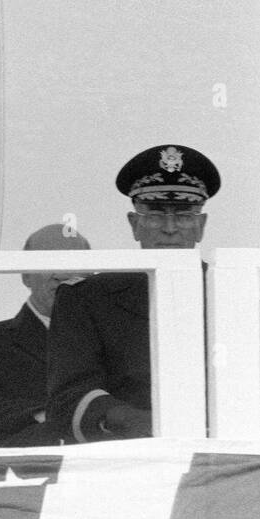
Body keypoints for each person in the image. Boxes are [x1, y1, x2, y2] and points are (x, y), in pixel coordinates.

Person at [47, 145, 219, 442]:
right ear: (134, 224)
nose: (169, 228)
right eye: (154, 214)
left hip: (226, 457)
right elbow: (69, 397)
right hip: (128, 459)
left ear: (201, 226)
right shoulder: (87, 299)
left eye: (183, 215)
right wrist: (139, 425)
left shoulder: (234, 294)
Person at [0, 223, 91, 447]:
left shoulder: (113, 337)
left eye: (74, 264)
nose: (62, 275)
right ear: (26, 275)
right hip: (27, 472)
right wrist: (47, 415)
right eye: (48, 263)